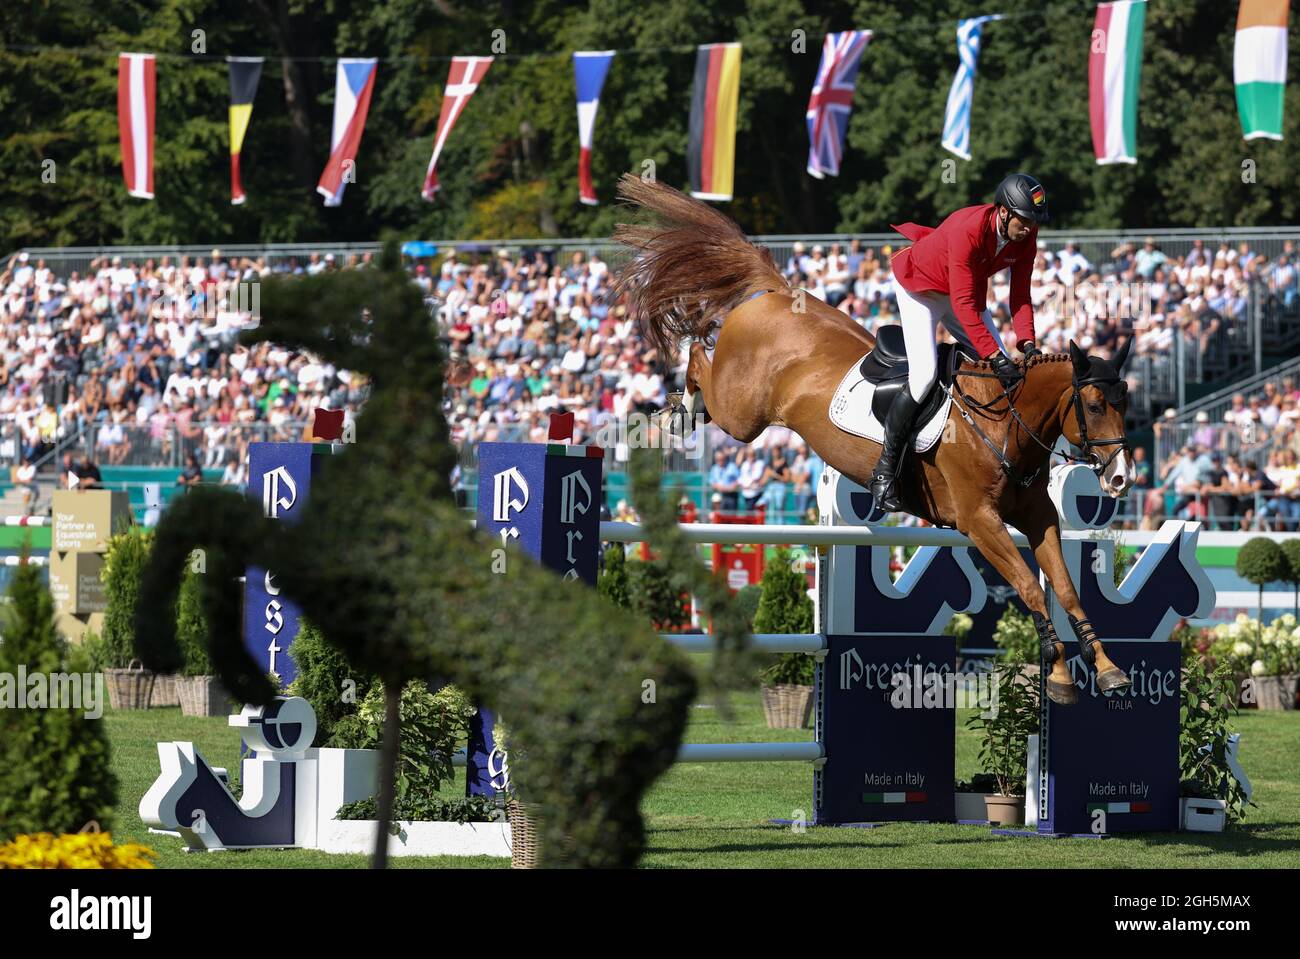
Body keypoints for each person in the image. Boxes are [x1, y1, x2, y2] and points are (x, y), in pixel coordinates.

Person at [871, 173, 1049, 509]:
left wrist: (1027, 343)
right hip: (920, 290)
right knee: (924, 375)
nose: (1029, 229)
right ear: (1004, 212)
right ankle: (885, 469)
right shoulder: (968, 229)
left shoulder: (1026, 234)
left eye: (1034, 222)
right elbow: (965, 306)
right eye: (1024, 221)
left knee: (1005, 371)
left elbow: (1020, 296)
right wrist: (994, 355)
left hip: (961, 293)